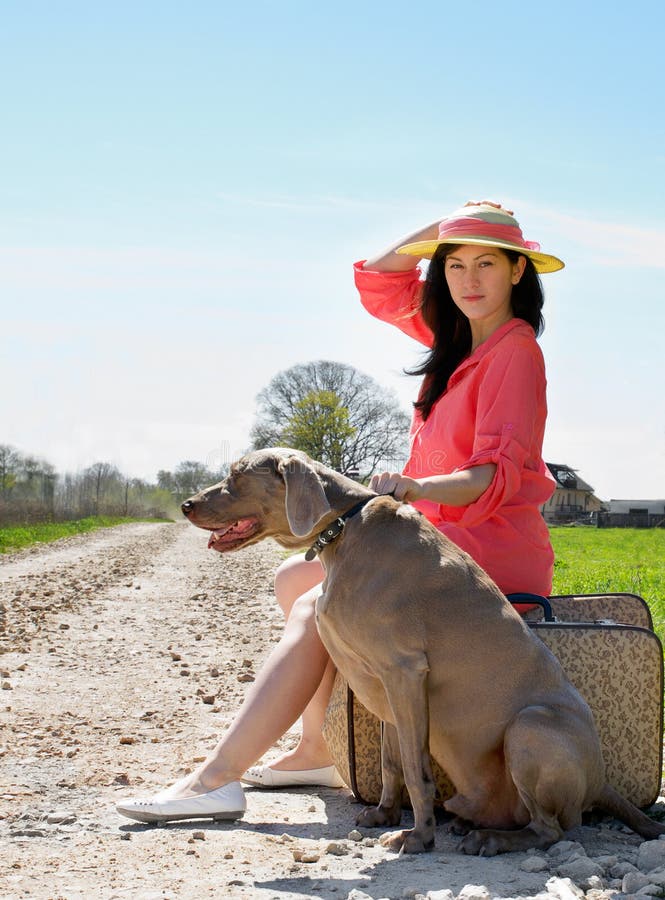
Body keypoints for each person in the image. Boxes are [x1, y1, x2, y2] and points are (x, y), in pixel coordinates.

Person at [116, 201, 564, 824]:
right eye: (454, 265)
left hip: (480, 552)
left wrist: (413, 485)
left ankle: (215, 779)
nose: (468, 279)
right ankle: (316, 749)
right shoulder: (457, 343)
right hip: (436, 544)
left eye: (487, 262)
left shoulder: (514, 353)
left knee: (315, 602)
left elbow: (495, 475)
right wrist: (453, 224)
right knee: (294, 576)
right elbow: (379, 279)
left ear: (519, 271)